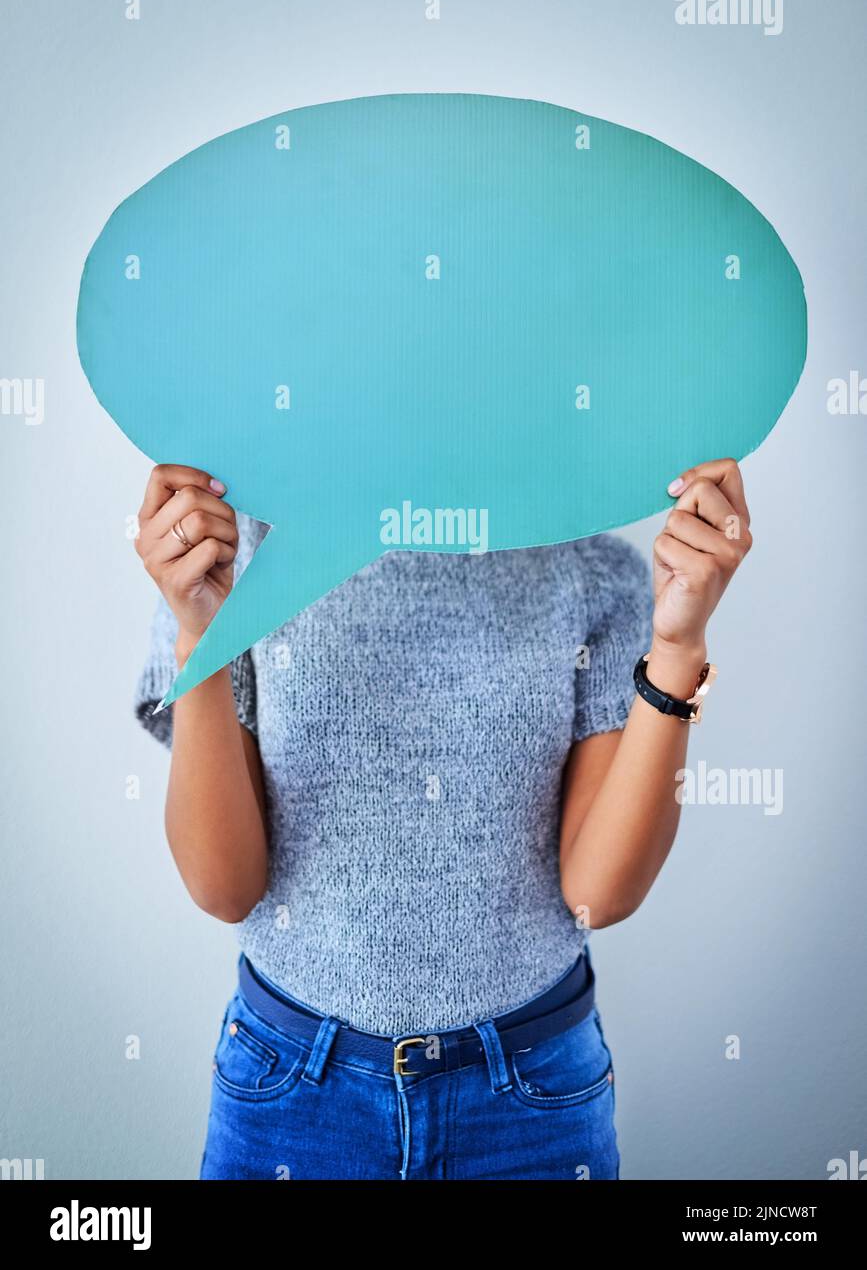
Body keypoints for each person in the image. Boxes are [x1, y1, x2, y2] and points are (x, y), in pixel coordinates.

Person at [134, 457, 751, 1180]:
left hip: (530, 1100)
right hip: (291, 1094)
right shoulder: (228, 554)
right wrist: (202, 632)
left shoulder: (592, 569)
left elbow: (598, 893)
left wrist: (678, 648)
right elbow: (222, 886)